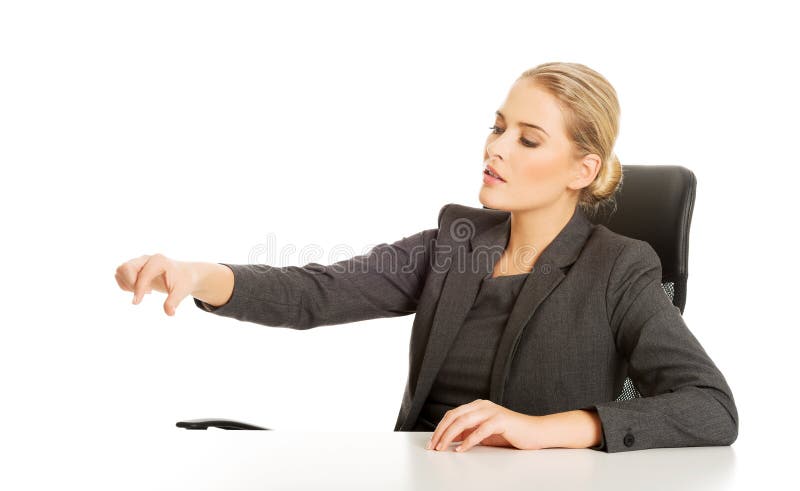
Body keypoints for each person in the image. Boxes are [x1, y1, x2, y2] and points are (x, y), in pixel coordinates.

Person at [115, 61, 738, 453]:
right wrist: (198, 276)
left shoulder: (620, 267)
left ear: (583, 168)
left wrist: (551, 428)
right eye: (497, 127)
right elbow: (319, 291)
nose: (496, 148)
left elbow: (710, 407)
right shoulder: (456, 243)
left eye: (528, 138)